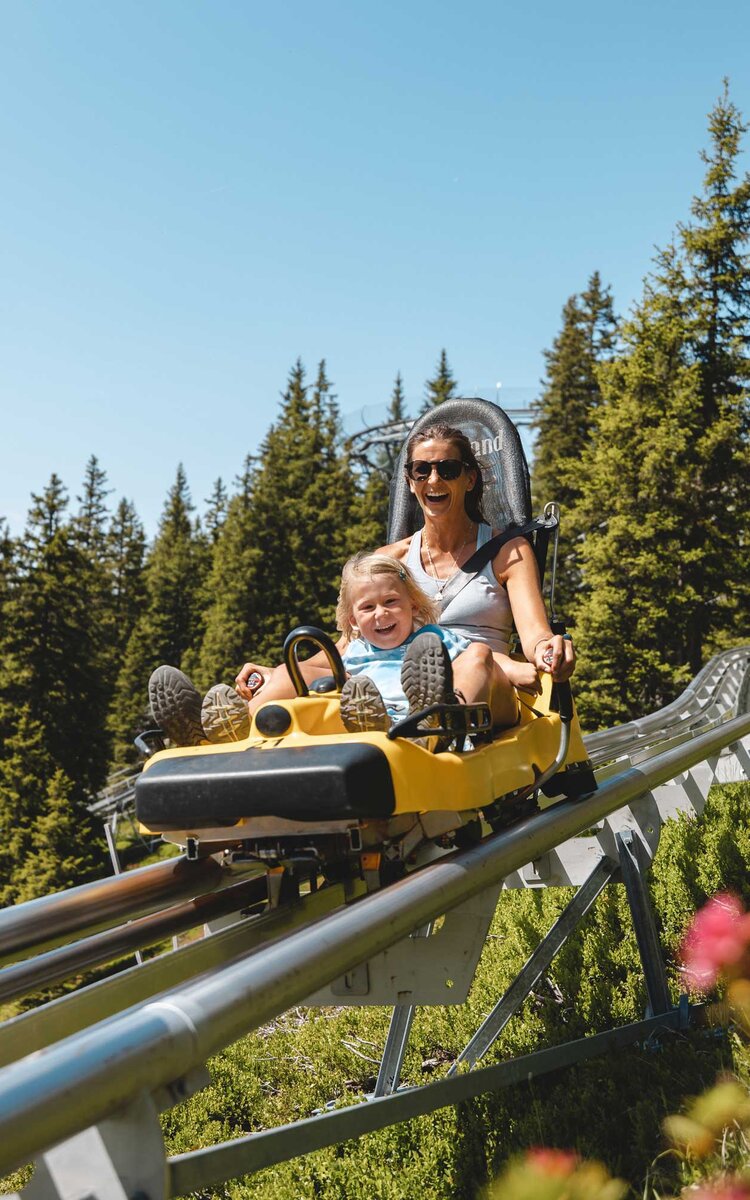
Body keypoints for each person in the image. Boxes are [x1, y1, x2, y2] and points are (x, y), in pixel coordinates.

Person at [235, 422, 575, 727]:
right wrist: (284, 672)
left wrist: (550, 653)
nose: (434, 480)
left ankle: (434, 726)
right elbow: (351, 645)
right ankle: (232, 732)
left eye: (448, 469)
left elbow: (535, 636)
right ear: (411, 482)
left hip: (487, 685)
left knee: (477, 658)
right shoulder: (388, 561)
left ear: (470, 479)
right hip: (390, 680)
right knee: (288, 675)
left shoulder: (509, 552)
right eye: (421, 470)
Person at [337, 552, 470, 734]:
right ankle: (381, 725)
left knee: (476, 657)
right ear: (354, 621)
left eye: (390, 601)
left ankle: (435, 721)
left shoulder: (435, 639)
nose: (381, 613)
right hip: (382, 732)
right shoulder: (355, 654)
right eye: (368, 607)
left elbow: (474, 663)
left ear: (413, 606)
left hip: (437, 728)